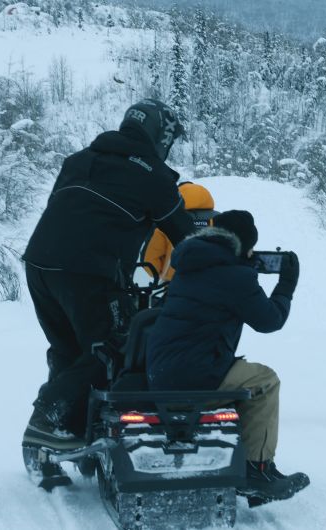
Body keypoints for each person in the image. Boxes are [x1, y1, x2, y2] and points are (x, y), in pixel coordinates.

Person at [22, 99, 194, 450]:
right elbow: (188, 238)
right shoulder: (154, 176)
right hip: (87, 271)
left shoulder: (78, 160)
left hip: (39, 264)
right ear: (160, 136)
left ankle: (60, 436)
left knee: (70, 349)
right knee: (113, 349)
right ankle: (47, 417)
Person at [145, 210, 309, 504]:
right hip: (195, 376)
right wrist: (286, 285)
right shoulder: (235, 275)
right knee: (265, 380)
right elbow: (269, 321)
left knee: (237, 370)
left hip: (160, 373)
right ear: (245, 246)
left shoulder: (187, 266)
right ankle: (257, 471)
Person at [142, 181, 218, 281]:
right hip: (214, 283)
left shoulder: (166, 222)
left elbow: (150, 259)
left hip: (176, 283)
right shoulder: (221, 221)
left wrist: (162, 275)